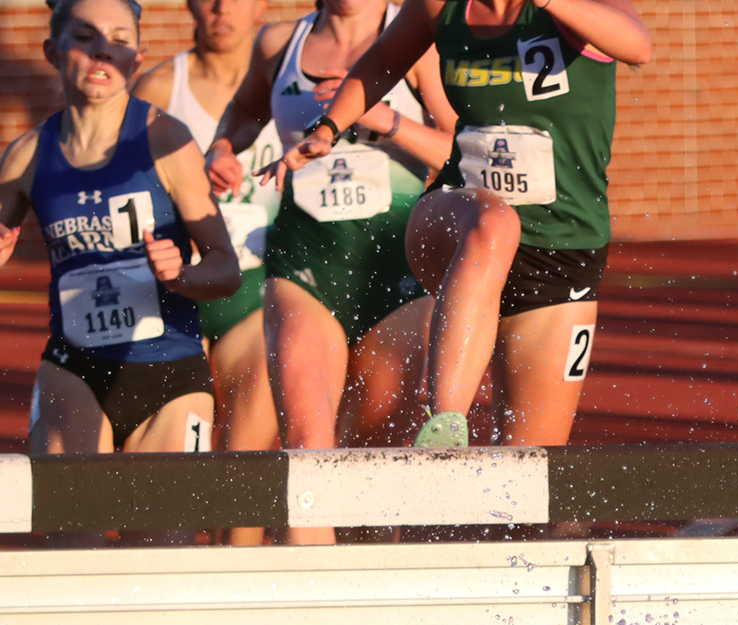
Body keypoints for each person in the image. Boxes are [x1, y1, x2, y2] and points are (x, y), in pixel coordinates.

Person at [267, 0, 652, 451]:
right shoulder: (439, 5)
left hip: (560, 249)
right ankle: (445, 424)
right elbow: (383, 59)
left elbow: (637, 47)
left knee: (532, 464)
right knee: (495, 222)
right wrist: (329, 128)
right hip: (455, 219)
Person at [207, 0, 456, 544]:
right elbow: (243, 113)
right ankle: (307, 589)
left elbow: (461, 150)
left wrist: (386, 121)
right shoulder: (280, 43)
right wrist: (222, 149)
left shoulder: (416, 40)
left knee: (373, 462)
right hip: (306, 265)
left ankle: (360, 593)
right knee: (307, 447)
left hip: (397, 268)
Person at [0, 0, 238, 479]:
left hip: (172, 373)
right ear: (52, 51)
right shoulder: (25, 156)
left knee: (163, 525)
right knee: (70, 518)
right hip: (73, 370)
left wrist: (182, 276)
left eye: (119, 40)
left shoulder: (167, 140)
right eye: (84, 37)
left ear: (137, 58)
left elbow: (225, 268)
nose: (102, 51)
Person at [132, 0, 279, 487]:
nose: (221, 8)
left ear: (261, 5)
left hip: (256, 290)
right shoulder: (159, 89)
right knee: (168, 478)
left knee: (243, 466)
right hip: (176, 290)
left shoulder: (287, 82)